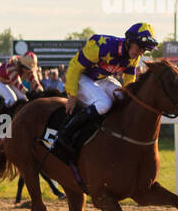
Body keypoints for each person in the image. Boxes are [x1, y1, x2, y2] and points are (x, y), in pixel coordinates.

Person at [53, 22, 158, 162]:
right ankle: (66, 132)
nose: (140, 53)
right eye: (139, 47)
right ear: (129, 41)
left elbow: (129, 81)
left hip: (100, 79)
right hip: (81, 76)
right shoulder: (103, 46)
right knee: (104, 103)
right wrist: (72, 95)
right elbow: (74, 67)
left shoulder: (134, 57)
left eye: (144, 50)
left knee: (121, 97)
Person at [0, 51, 41, 132]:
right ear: (23, 67)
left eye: (31, 69)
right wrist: (27, 92)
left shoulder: (28, 67)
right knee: (12, 99)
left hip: (9, 81)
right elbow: (17, 83)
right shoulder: (11, 65)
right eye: (29, 69)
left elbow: (35, 81)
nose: (30, 72)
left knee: (24, 99)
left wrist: (41, 91)